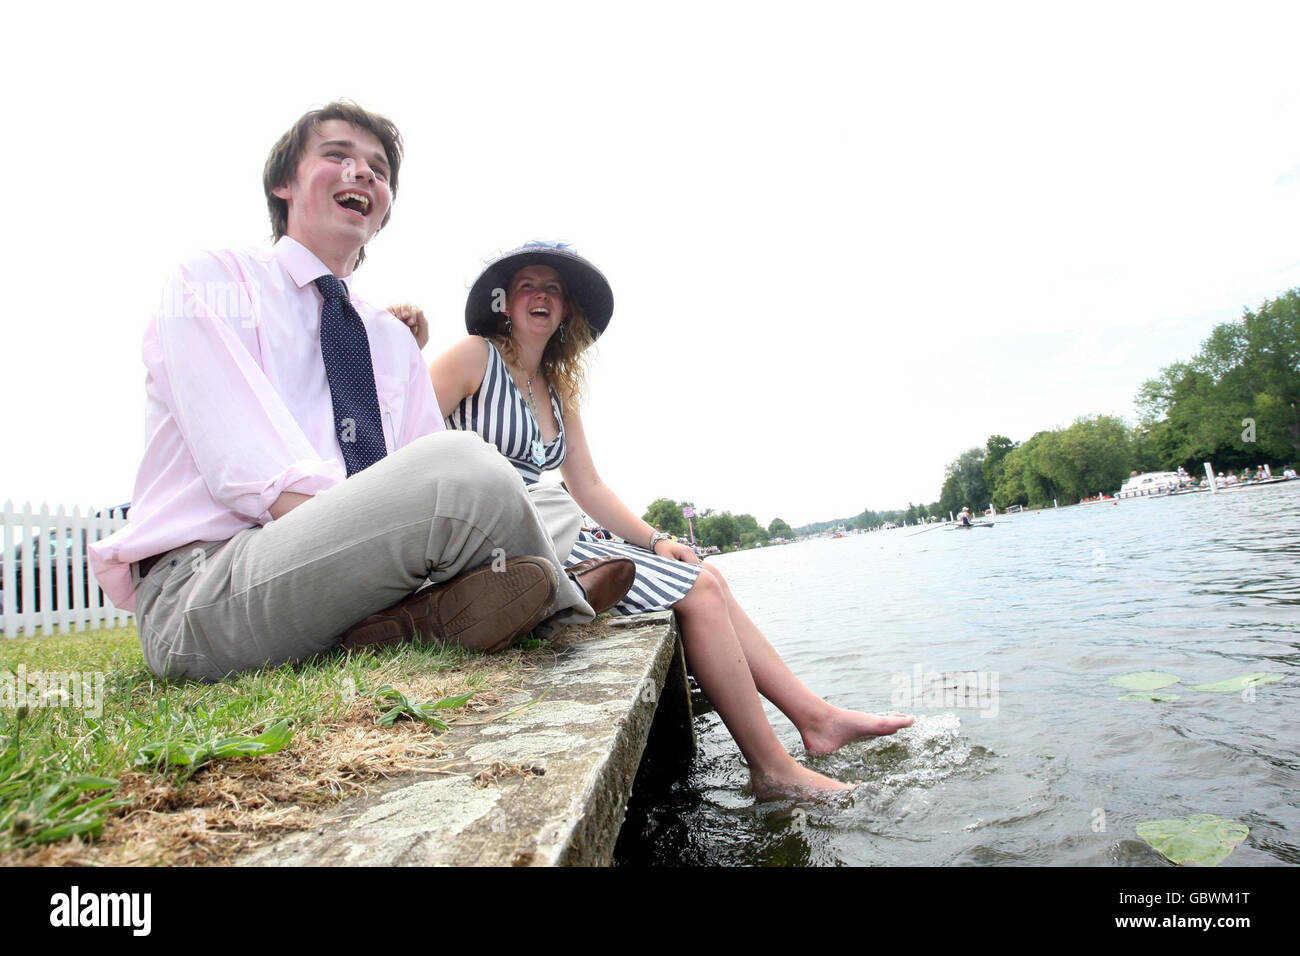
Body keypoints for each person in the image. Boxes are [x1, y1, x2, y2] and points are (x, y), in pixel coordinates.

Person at [88, 104, 634, 682]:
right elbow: (248, 473)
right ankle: (554, 607)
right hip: (213, 583)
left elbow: (409, 475)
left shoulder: (389, 340)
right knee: (466, 463)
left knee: (546, 500)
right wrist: (389, 544)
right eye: (337, 155)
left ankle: (406, 619)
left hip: (350, 569)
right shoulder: (212, 281)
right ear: (283, 183)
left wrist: (385, 544)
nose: (364, 172)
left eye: (379, 168)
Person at [405, 242, 913, 798]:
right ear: (505, 303)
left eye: (553, 288)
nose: (541, 295)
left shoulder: (558, 390)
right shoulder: (474, 356)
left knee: (708, 576)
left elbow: (588, 485)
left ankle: (815, 717)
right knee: (699, 593)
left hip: (556, 532)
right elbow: (410, 439)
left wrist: (657, 538)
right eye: (528, 284)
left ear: (567, 310)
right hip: (498, 540)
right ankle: (773, 769)